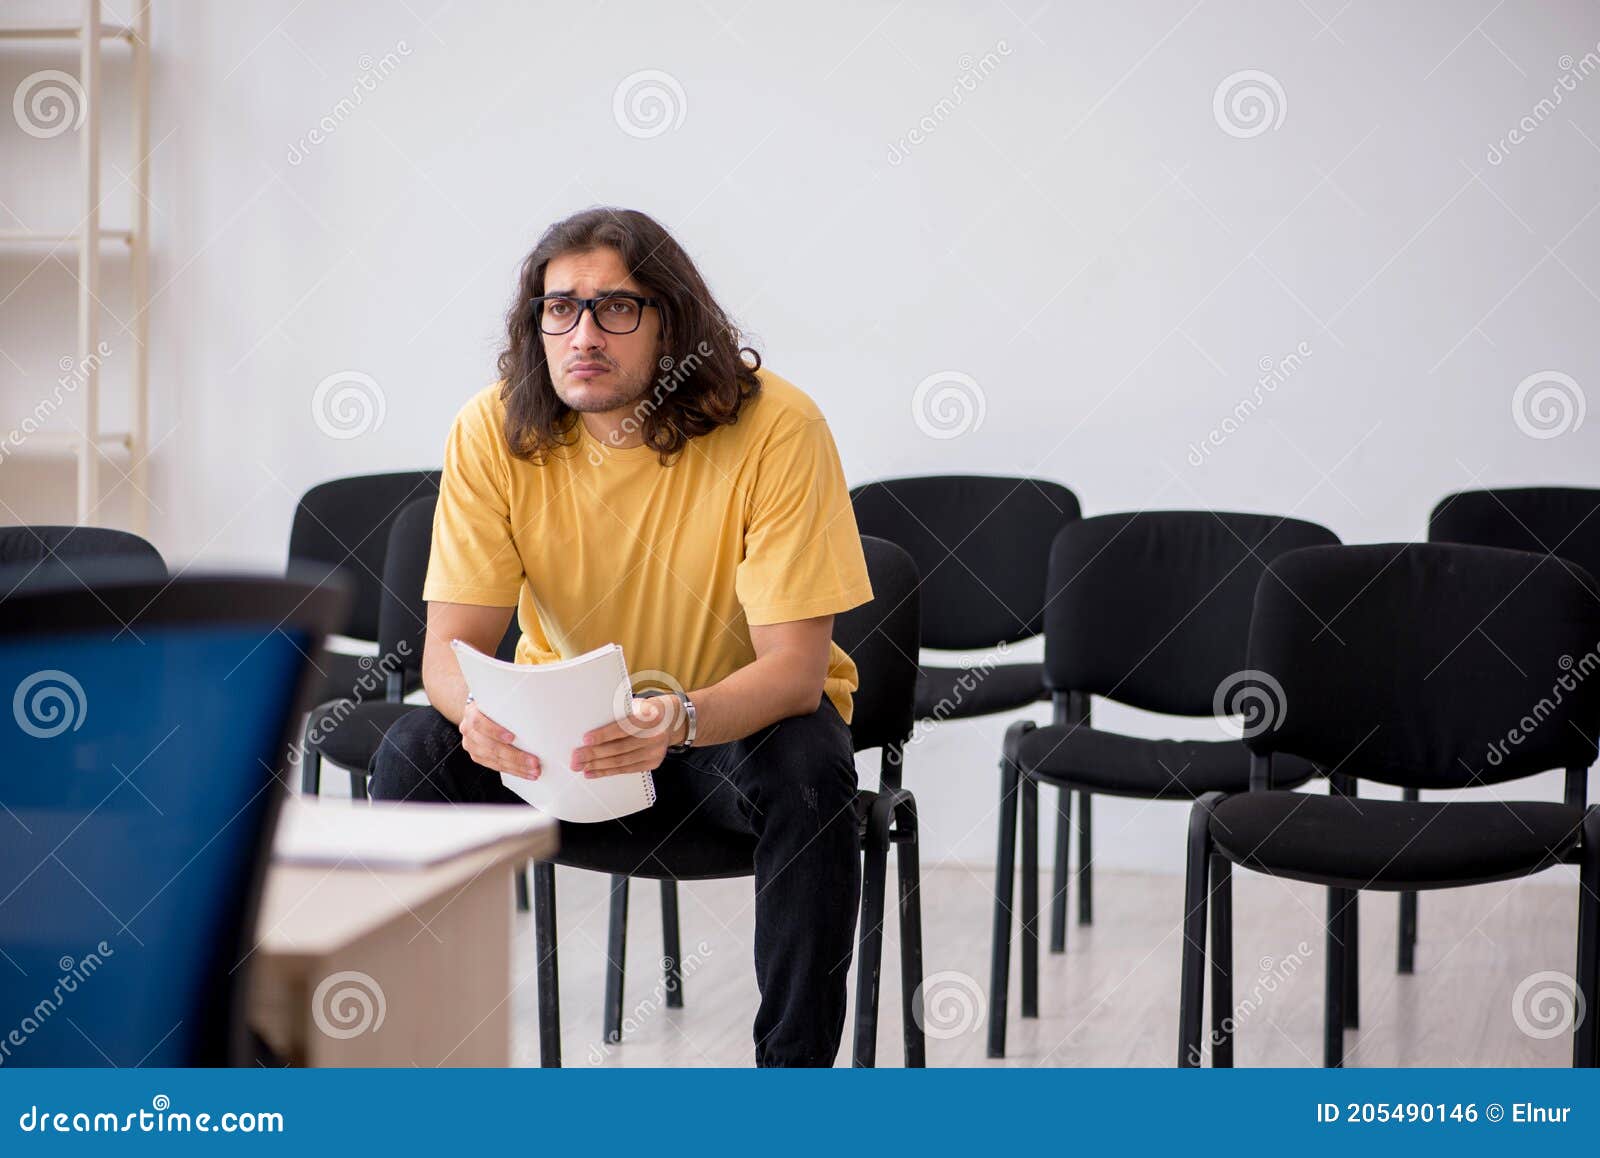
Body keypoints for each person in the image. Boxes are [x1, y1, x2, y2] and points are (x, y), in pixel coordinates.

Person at [370, 206, 873, 1067]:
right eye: (559, 308)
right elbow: (450, 655)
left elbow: (794, 673)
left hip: (727, 745)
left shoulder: (780, 428)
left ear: (672, 318)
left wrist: (675, 718)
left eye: (616, 307)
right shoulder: (492, 429)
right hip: (561, 756)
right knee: (415, 746)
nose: (583, 333)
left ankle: (794, 1094)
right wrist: (474, 717)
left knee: (811, 764)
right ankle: (415, 1078)